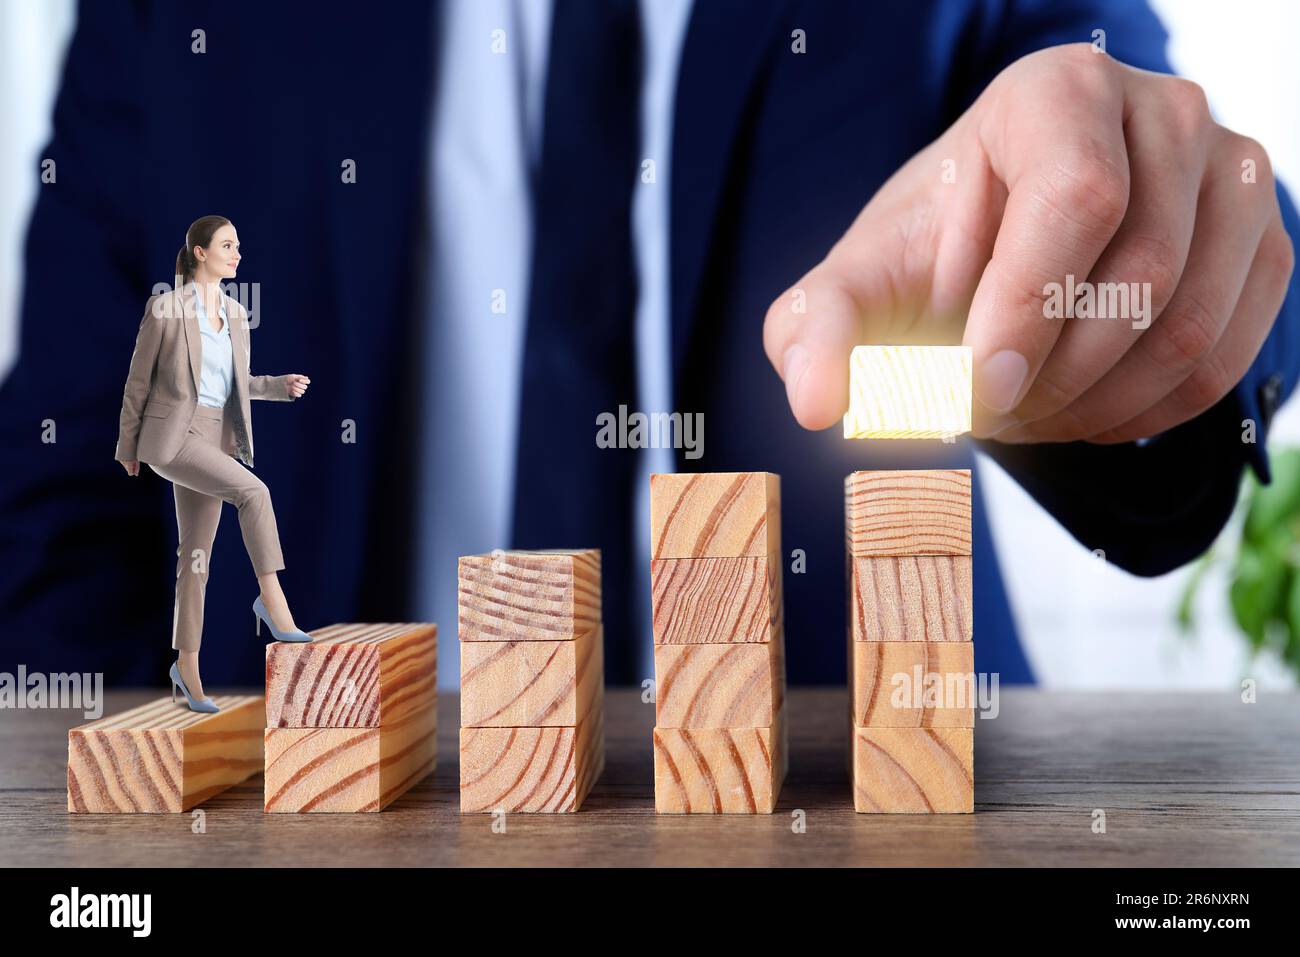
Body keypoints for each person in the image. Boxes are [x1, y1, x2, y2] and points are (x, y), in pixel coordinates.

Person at [1, 0, 1296, 690]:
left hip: (878, 814)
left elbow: (1151, 159)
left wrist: (1159, 226)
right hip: (320, 816)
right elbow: (68, 481)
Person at [114, 215, 313, 710]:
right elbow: (138, 383)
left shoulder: (236, 314)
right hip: (172, 438)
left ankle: (187, 666)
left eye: (239, 245)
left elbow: (235, 384)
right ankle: (272, 601)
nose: (237, 253)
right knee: (254, 492)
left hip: (214, 436)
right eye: (228, 244)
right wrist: (127, 446)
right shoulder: (165, 309)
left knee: (195, 559)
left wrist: (278, 386)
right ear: (200, 252)